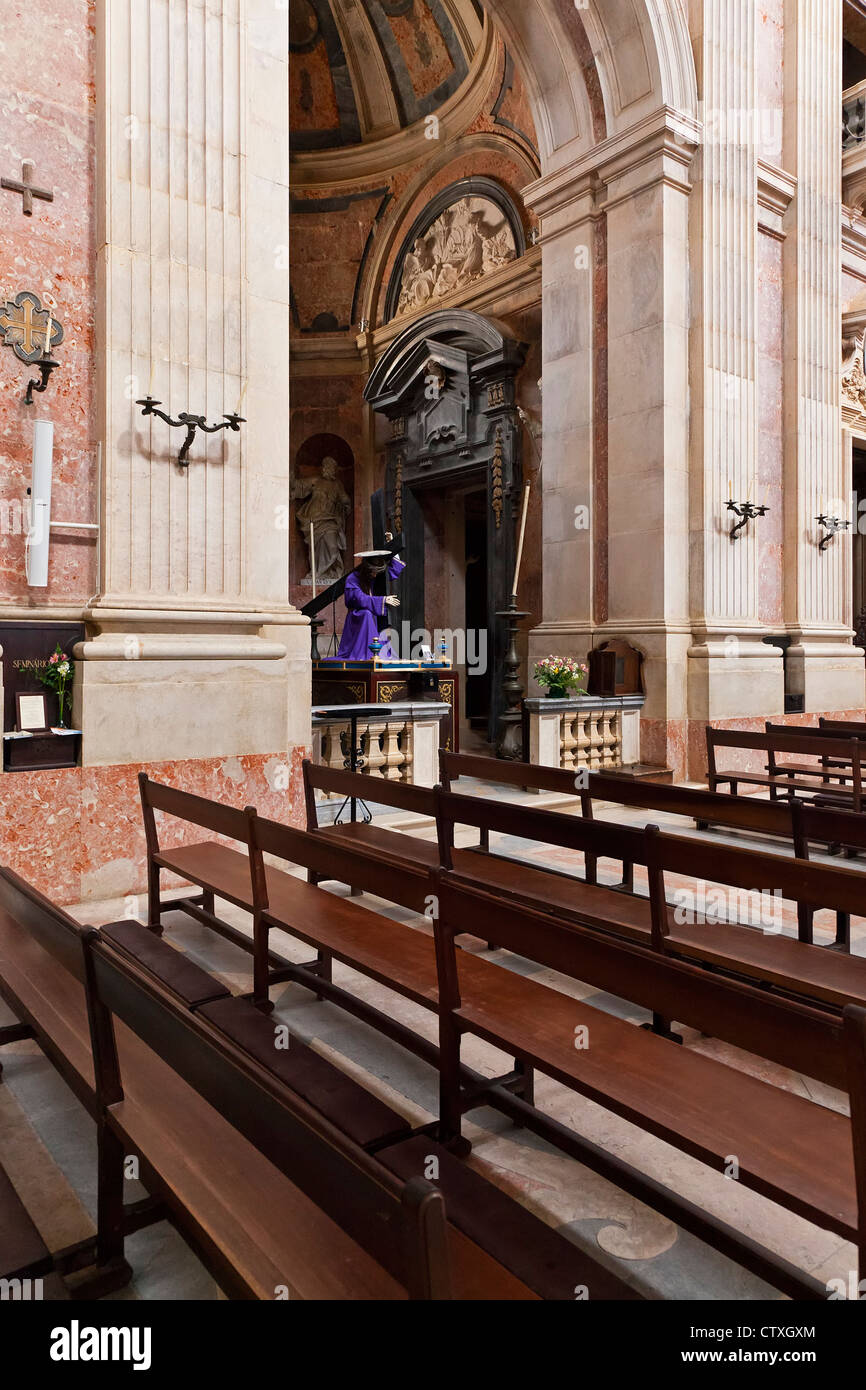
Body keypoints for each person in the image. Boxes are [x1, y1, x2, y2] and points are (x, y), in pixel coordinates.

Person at [337, 534, 405, 660]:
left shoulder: (375, 578)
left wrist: (392, 544)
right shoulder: (353, 578)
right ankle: (366, 655)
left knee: (374, 618)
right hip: (358, 617)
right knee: (367, 614)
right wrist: (384, 600)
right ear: (367, 570)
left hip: (373, 616)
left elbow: (394, 569)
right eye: (373, 572)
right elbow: (359, 598)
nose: (374, 575)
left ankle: (378, 653)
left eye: (376, 573)